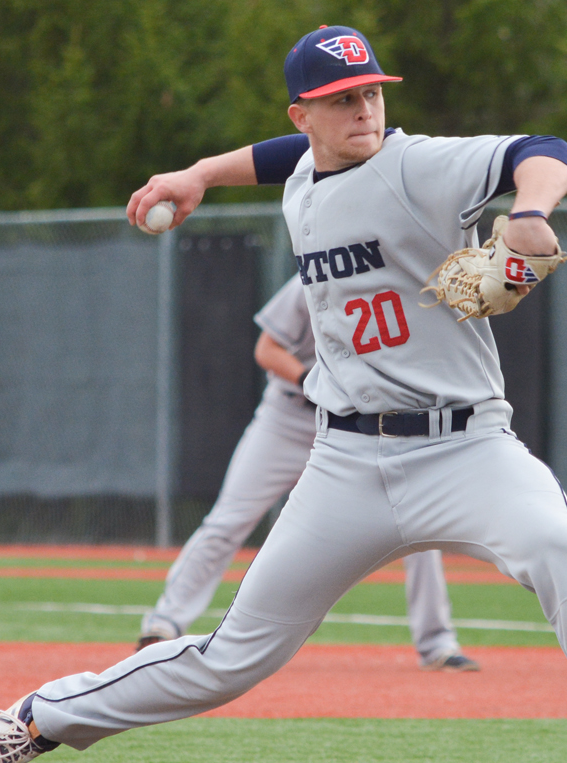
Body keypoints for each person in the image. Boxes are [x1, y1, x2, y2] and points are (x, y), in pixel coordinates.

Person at [0, 26, 567, 763]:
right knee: (231, 659)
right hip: (344, 463)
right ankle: (38, 719)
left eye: (372, 92)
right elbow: (287, 159)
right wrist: (200, 174)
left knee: (561, 552)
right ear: (304, 113)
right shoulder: (303, 179)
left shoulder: (421, 166)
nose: (365, 110)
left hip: (467, 450)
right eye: (342, 98)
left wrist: (529, 213)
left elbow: (544, 152)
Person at [138, 277, 479, 672]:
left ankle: (437, 643)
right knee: (228, 519)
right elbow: (267, 349)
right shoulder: (320, 273)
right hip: (289, 420)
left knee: (420, 527)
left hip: (364, 430)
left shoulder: (400, 278)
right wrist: (311, 383)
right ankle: (163, 623)